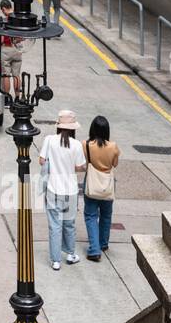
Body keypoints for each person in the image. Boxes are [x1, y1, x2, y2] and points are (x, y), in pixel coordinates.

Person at [39, 110, 86, 270]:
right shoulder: (77, 145)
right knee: (69, 224)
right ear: (73, 128)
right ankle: (71, 254)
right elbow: (80, 167)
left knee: (55, 225)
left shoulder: (49, 140)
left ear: (58, 126)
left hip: (53, 188)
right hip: (71, 190)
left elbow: (41, 160)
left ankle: (56, 260)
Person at [83, 115, 120, 261]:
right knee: (106, 215)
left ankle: (94, 250)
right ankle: (103, 243)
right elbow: (115, 164)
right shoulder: (113, 147)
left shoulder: (85, 145)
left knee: (91, 216)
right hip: (107, 183)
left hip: (92, 181)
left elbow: (84, 161)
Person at [0, 0, 26, 97]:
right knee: (16, 75)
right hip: (18, 49)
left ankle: (7, 97)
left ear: (4, 8)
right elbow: (23, 36)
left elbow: (1, 39)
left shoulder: (6, 20)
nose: (3, 12)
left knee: (6, 75)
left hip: (6, 49)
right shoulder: (19, 18)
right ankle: (18, 97)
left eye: (2, 10)